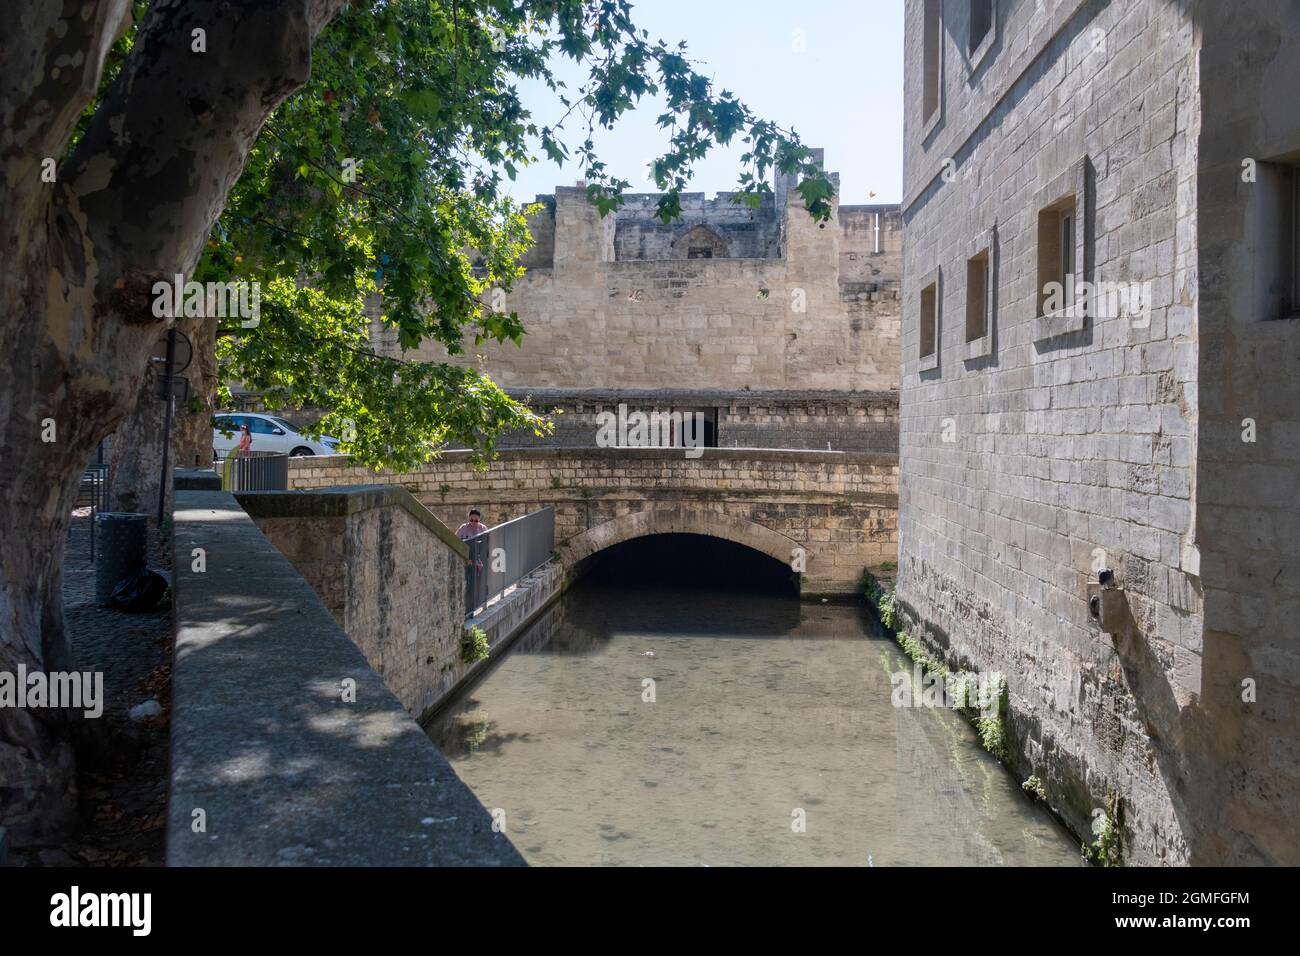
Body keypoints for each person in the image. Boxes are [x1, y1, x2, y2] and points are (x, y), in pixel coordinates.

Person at [456, 510, 488, 612]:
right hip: (467, 560)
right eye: (471, 520)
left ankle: (477, 604)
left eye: (476, 520)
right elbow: (456, 540)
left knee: (478, 583)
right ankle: (468, 608)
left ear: (479, 520)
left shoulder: (483, 529)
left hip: (478, 560)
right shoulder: (463, 528)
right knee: (468, 583)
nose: (473, 522)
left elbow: (487, 544)